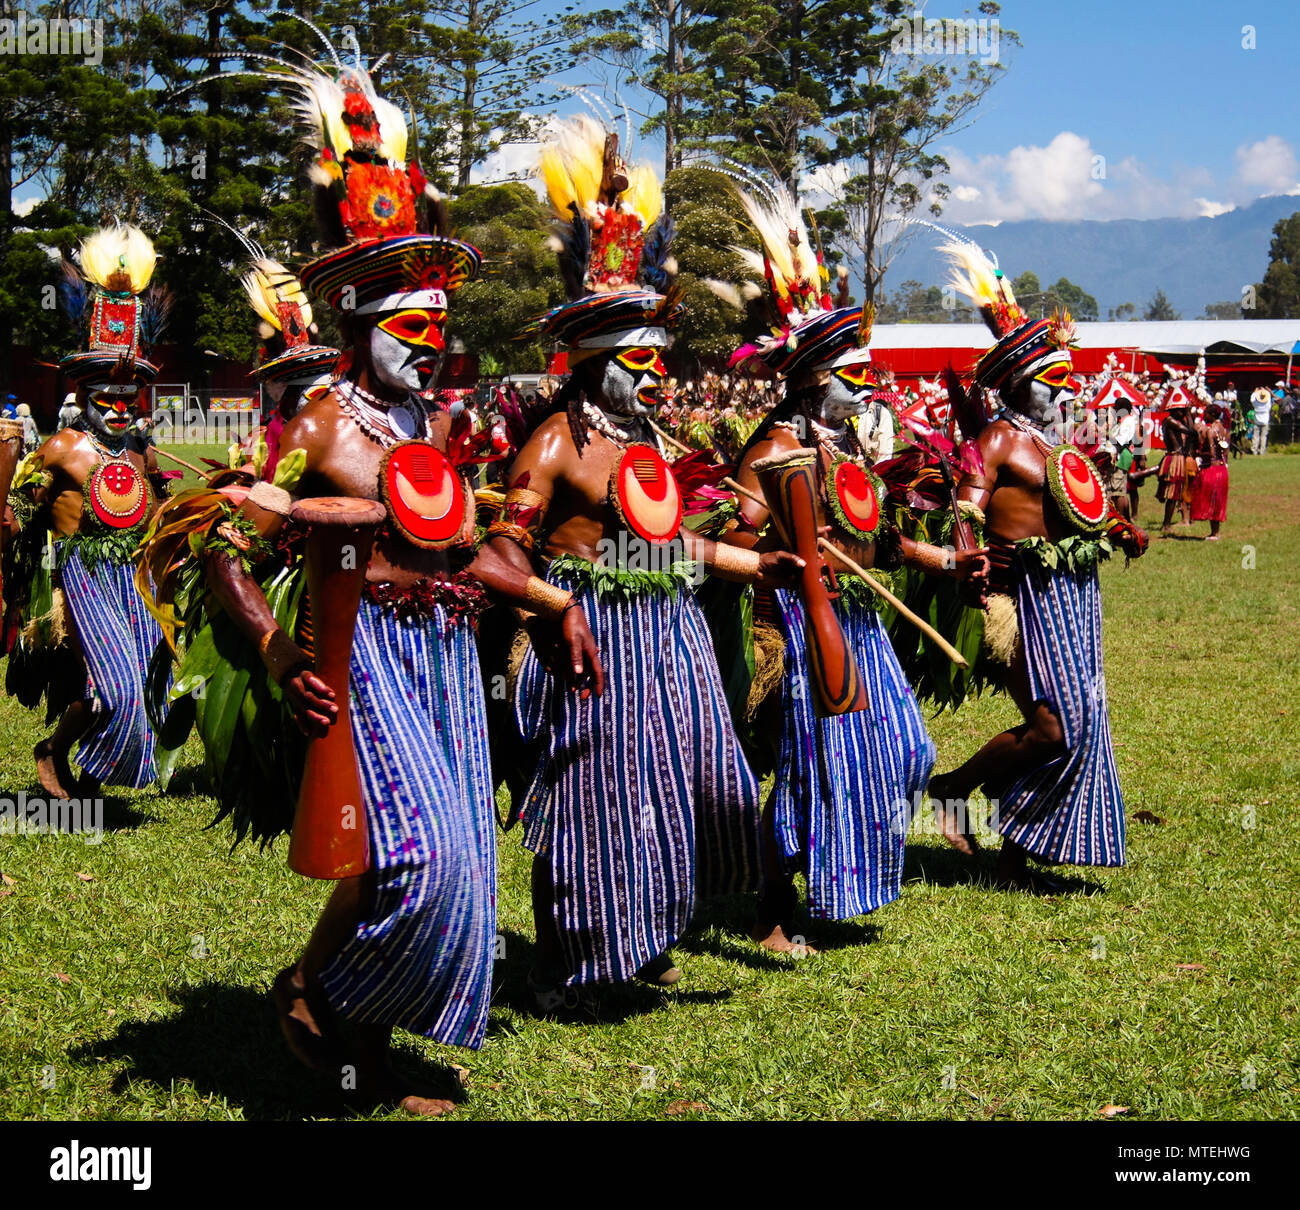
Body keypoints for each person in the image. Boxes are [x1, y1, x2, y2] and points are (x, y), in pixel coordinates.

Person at [149, 42, 604, 1115]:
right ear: (358, 323)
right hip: (361, 660)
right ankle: (313, 994)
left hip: (445, 656)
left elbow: (470, 550)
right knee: (420, 859)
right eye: (412, 328)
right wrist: (268, 641)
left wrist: (552, 598)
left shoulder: (438, 426)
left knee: (434, 864)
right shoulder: (318, 421)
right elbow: (218, 528)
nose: (433, 346)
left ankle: (347, 1029)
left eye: (441, 329)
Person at [488, 116, 804, 1006]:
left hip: (668, 637)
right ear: (593, 360)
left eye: (658, 358)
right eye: (638, 359)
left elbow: (663, 544)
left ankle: (643, 933)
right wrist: (554, 610)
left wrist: (757, 569)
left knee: (696, 780)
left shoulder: (646, 439)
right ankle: (563, 963)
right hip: (590, 642)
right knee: (589, 805)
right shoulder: (554, 443)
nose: (656, 375)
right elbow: (502, 556)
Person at [710, 172, 988, 949]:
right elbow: (737, 541)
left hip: (859, 620)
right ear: (811, 378)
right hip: (800, 622)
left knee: (907, 750)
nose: (869, 386)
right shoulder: (773, 448)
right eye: (855, 373)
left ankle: (834, 878)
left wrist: (942, 560)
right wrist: (774, 560)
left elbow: (881, 540)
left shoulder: (847, 449)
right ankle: (770, 907)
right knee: (813, 766)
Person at [925, 239, 1147, 891]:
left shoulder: (1058, 445)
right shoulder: (996, 438)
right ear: (1021, 379)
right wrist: (967, 556)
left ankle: (1017, 850)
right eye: (1054, 379)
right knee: (1053, 727)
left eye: (1065, 377)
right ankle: (952, 789)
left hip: (1075, 595)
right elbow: (965, 508)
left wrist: (1121, 525)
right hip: (1022, 600)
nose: (1065, 388)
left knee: (1079, 723)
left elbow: (1077, 513)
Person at [5, 224, 171, 798]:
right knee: (113, 684)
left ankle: (86, 763)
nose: (122, 412)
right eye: (109, 401)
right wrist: (24, 568)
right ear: (85, 396)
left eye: (130, 402)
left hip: (135, 573)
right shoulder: (62, 448)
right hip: (83, 574)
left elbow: (156, 508)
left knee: (150, 677)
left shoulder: (138, 450)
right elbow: (24, 515)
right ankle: (55, 751)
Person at [1157, 395, 1196, 533]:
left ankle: (1167, 523)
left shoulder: (1172, 421)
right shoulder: (1170, 421)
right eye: (1181, 410)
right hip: (1175, 458)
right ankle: (1166, 524)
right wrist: (1188, 414)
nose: (1182, 413)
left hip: (1177, 458)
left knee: (1174, 494)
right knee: (1172, 494)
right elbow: (1191, 431)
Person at [1191, 403, 1230, 539]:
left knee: (1212, 501)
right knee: (1218, 501)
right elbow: (1225, 452)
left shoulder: (1210, 430)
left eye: (1206, 413)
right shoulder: (1224, 429)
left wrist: (1198, 453)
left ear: (1211, 415)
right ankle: (1215, 532)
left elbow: (1212, 453)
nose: (1204, 416)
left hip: (1212, 469)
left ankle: (1215, 533)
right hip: (1222, 469)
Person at [1250, 386, 1272, 455]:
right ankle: (1262, 451)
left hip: (1257, 421)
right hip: (1265, 421)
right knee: (1264, 437)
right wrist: (1264, 391)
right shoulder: (1267, 403)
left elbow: (1252, 399)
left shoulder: (1256, 403)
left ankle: (1254, 450)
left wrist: (1255, 392)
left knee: (1256, 436)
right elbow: (1269, 397)